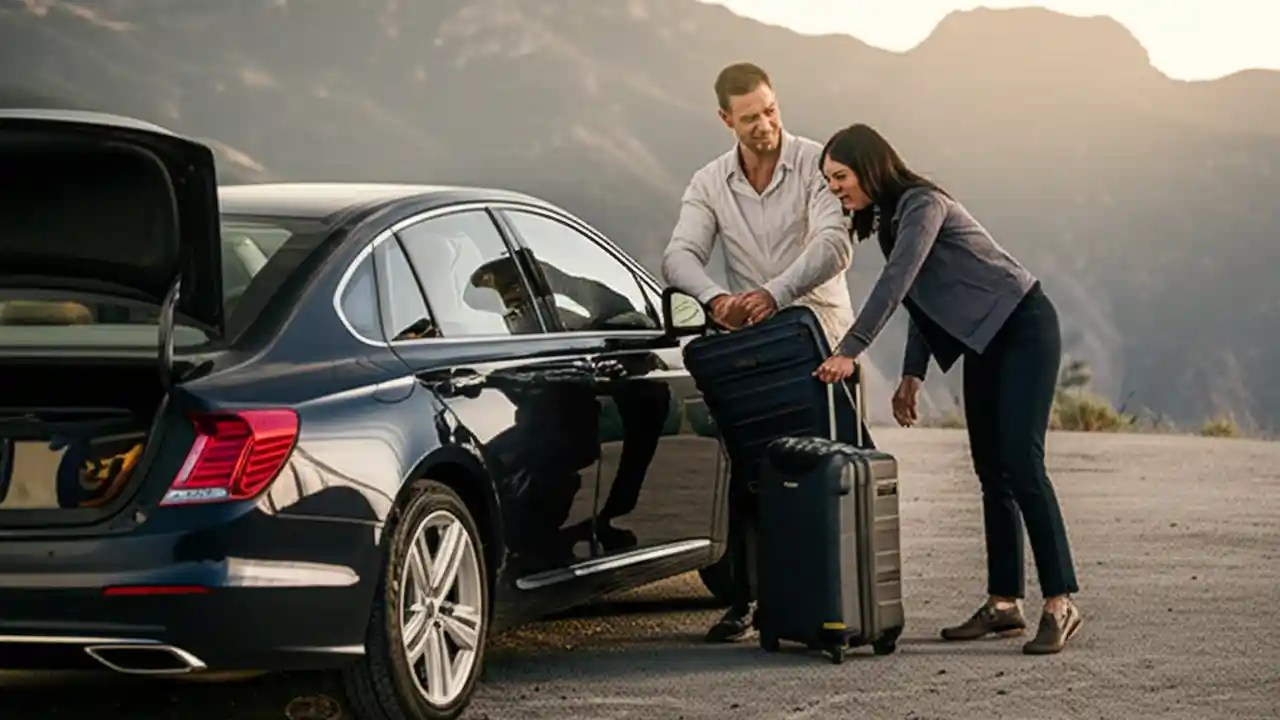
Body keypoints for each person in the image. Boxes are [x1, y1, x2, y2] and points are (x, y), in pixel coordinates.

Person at [811, 123, 1083, 655]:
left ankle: (1060, 602)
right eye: (828, 180)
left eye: (840, 176)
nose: (835, 188)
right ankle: (1004, 604)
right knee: (990, 471)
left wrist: (850, 348)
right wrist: (912, 375)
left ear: (869, 167)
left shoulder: (923, 204)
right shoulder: (892, 223)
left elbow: (897, 281)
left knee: (1022, 464)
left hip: (1024, 327)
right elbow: (921, 297)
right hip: (983, 341)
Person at [662, 62, 856, 643]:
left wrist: (775, 293)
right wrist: (715, 299)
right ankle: (747, 600)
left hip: (822, 339)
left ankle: (838, 602)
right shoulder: (709, 182)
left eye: (770, 110)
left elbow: (835, 245)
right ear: (726, 119)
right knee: (752, 471)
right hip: (754, 347)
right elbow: (678, 256)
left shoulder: (816, 163)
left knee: (832, 469)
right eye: (749, 117)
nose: (765, 125)